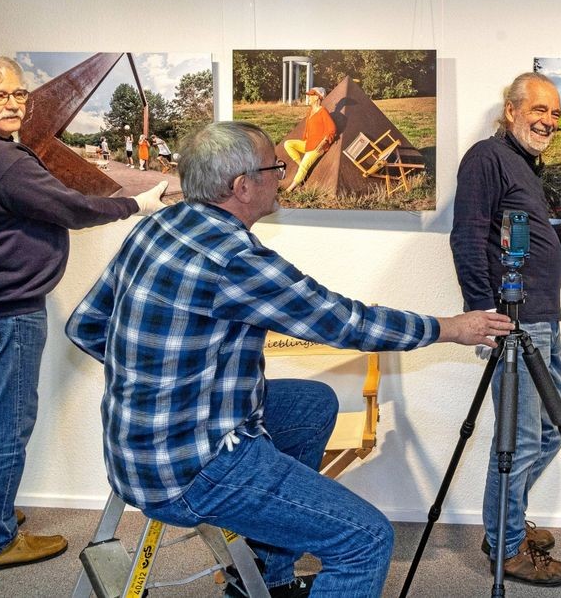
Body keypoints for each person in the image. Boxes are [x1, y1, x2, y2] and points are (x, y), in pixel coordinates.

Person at [66, 121, 513, 598]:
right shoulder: (235, 260)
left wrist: (160, 383)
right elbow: (348, 324)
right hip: (189, 468)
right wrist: (452, 328)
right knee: (365, 539)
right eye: (274, 167)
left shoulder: (160, 225)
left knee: (314, 402)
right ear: (242, 186)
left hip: (133, 449)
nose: (282, 174)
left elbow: (85, 326)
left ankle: (268, 579)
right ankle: (267, 545)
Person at [0, 54, 168, 574]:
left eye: (18, 94)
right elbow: (69, 208)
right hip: (1, 309)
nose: (13, 104)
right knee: (5, 423)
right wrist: (136, 206)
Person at [450, 72, 561, 587]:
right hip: (512, 323)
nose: (549, 121)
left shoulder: (522, 164)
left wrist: (560, 230)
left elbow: (514, 234)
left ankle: (506, 520)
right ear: (511, 109)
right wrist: (479, 315)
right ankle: (507, 546)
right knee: (517, 440)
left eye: (556, 114)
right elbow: (468, 237)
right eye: (540, 110)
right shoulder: (485, 158)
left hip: (541, 318)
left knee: (552, 428)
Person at [284, 86, 336, 191]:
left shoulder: (323, 112)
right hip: (308, 143)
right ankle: (300, 165)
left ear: (317, 97)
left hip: (317, 147)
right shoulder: (311, 110)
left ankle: (290, 189)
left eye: (311, 95)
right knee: (288, 144)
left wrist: (323, 142)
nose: (309, 97)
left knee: (304, 166)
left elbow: (332, 129)